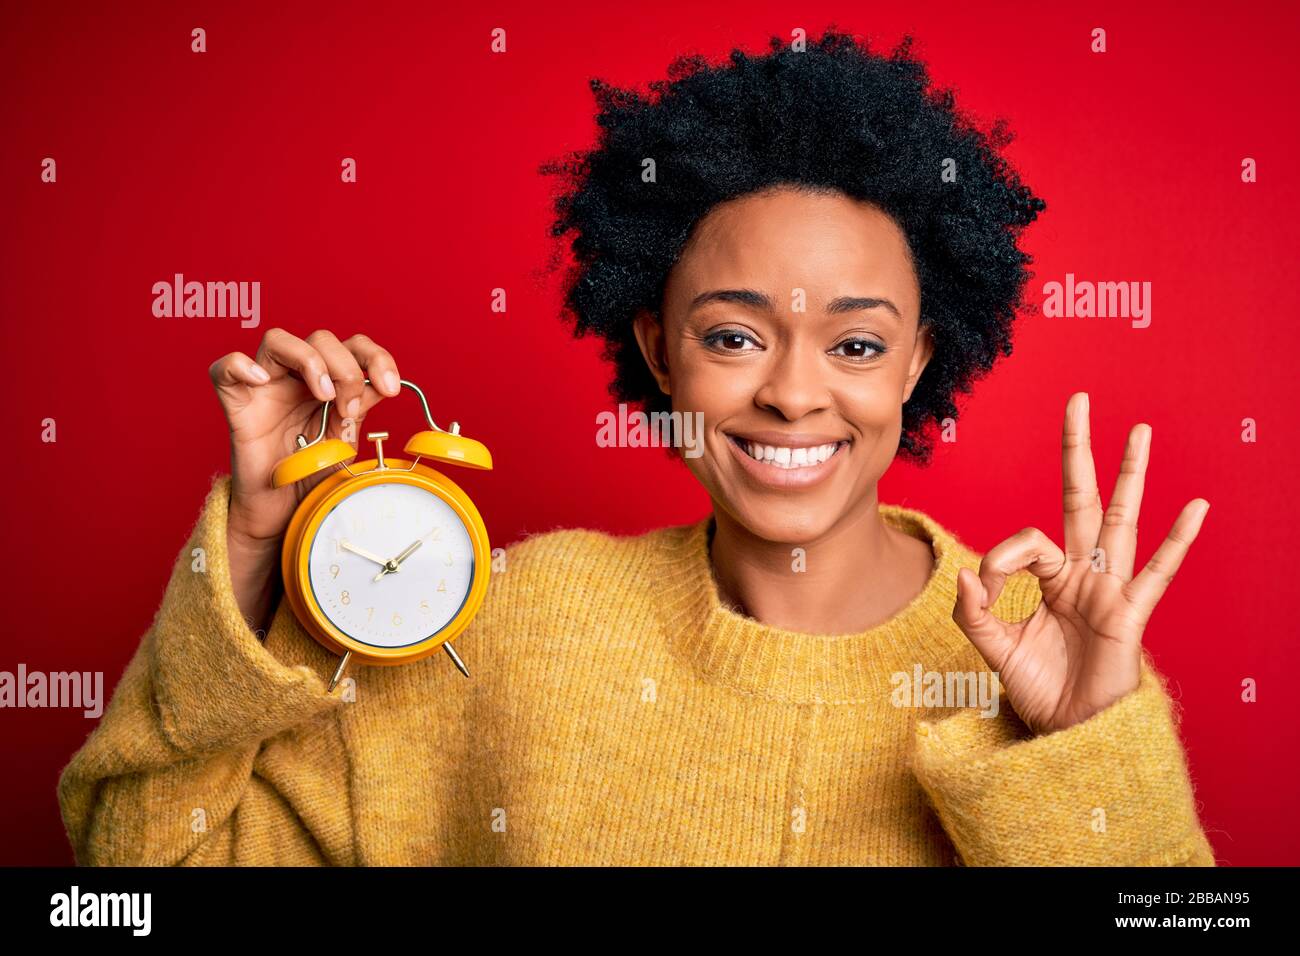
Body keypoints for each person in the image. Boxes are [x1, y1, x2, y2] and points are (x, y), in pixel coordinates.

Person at [58, 29, 1214, 866]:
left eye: (856, 344)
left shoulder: (1040, 670)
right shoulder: (511, 618)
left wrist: (1081, 760)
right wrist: (259, 543)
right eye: (733, 335)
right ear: (658, 350)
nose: (793, 393)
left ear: (918, 361)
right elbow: (135, 881)